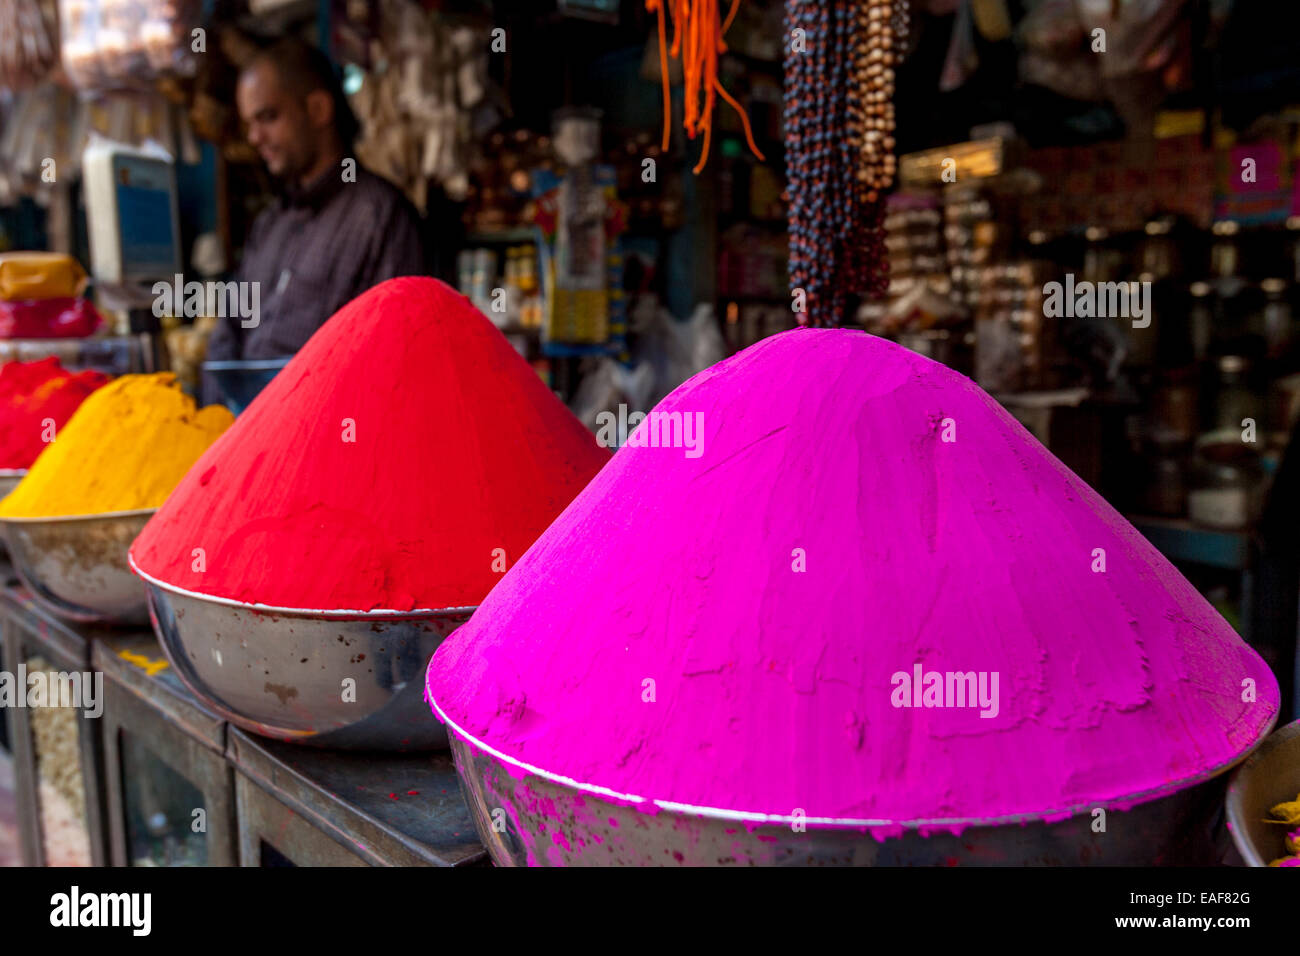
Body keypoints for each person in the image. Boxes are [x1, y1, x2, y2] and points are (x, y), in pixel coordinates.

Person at [206, 37, 425, 362]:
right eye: (250, 124)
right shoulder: (270, 224)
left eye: (267, 117)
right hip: (251, 413)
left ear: (318, 109)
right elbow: (227, 336)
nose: (255, 138)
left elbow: (389, 356)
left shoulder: (380, 216)